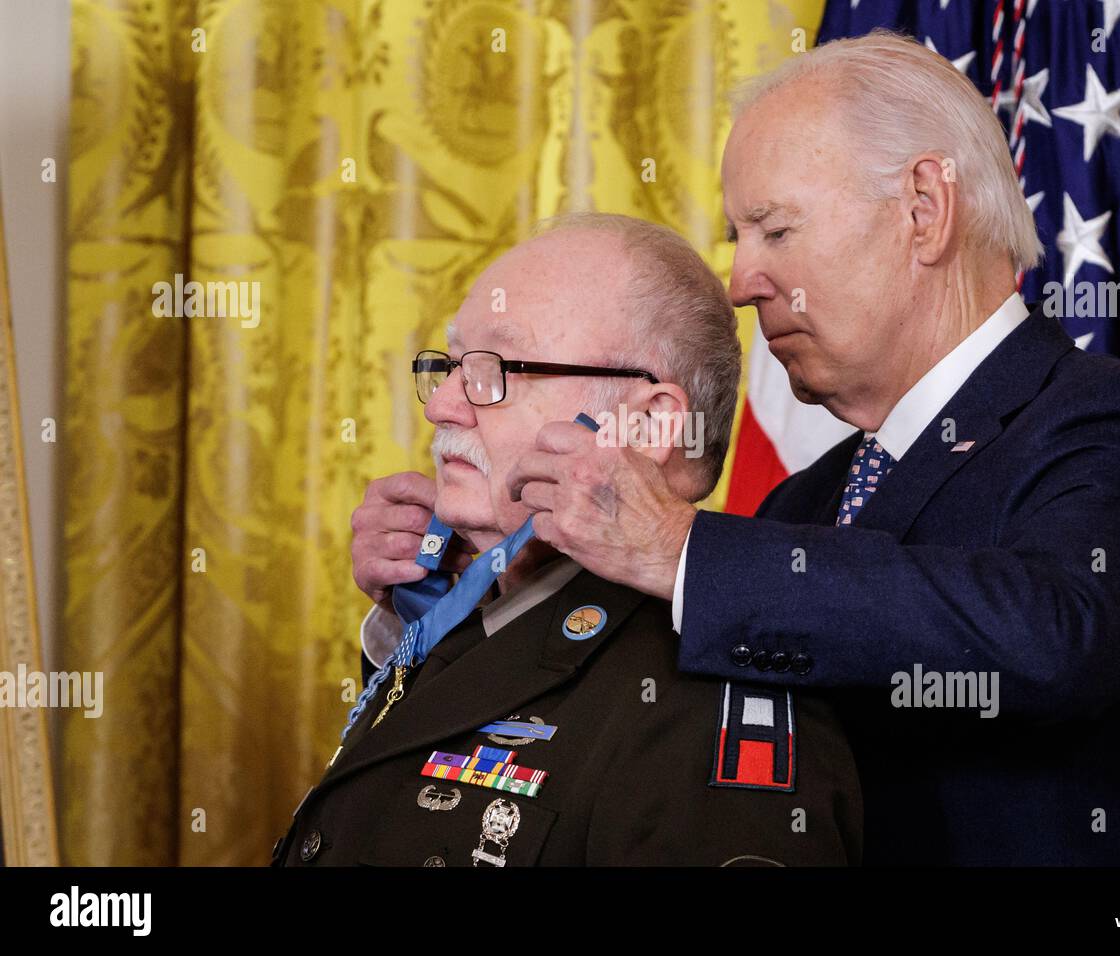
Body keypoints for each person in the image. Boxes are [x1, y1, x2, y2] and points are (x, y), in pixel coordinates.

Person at [483, 34, 1120, 865]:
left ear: (923, 208)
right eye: (740, 237)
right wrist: (462, 588)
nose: (740, 282)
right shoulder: (799, 506)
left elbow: (1052, 639)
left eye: (773, 230)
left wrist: (676, 546)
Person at [274, 213, 863, 867]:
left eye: (496, 368)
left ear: (646, 426)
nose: (442, 404)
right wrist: (407, 615)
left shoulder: (710, 701)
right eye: (449, 366)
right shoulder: (468, 609)